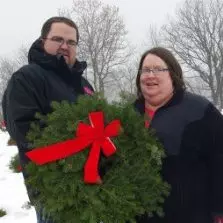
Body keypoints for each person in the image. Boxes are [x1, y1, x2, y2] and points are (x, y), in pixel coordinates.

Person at [2, 16, 94, 223]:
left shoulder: (84, 85)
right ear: (43, 41)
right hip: (54, 191)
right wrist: (81, 138)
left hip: (91, 186)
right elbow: (25, 130)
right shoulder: (27, 78)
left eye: (71, 42)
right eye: (58, 39)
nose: (65, 46)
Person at [134, 47, 223, 223]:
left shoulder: (199, 110)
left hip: (191, 215)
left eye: (158, 69)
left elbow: (220, 158)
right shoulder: (130, 114)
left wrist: (219, 209)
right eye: (145, 70)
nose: (150, 75)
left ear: (173, 75)